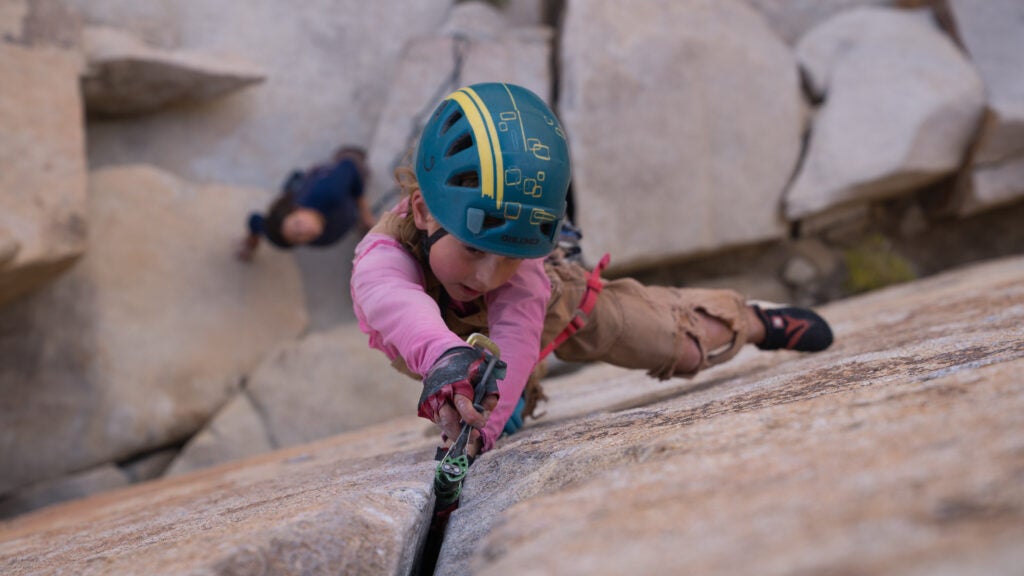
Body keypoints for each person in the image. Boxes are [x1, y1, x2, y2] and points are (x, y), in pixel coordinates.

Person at [350, 83, 833, 458]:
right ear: (423, 211)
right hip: (456, 349)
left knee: (682, 347)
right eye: (474, 249)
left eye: (510, 256)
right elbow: (397, 304)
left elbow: (517, 334)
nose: (488, 276)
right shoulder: (382, 258)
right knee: (491, 386)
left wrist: (483, 430)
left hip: (555, 301)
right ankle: (502, 390)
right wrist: (447, 361)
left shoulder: (524, 274)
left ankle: (754, 320)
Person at [237, 146, 376, 261]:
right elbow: (256, 220)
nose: (304, 232)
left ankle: (343, 154)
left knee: (355, 164)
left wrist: (365, 211)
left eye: (297, 224)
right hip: (343, 214)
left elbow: (349, 164)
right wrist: (251, 242)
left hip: (334, 183)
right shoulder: (281, 235)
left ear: (296, 209)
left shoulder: (329, 192)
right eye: (297, 238)